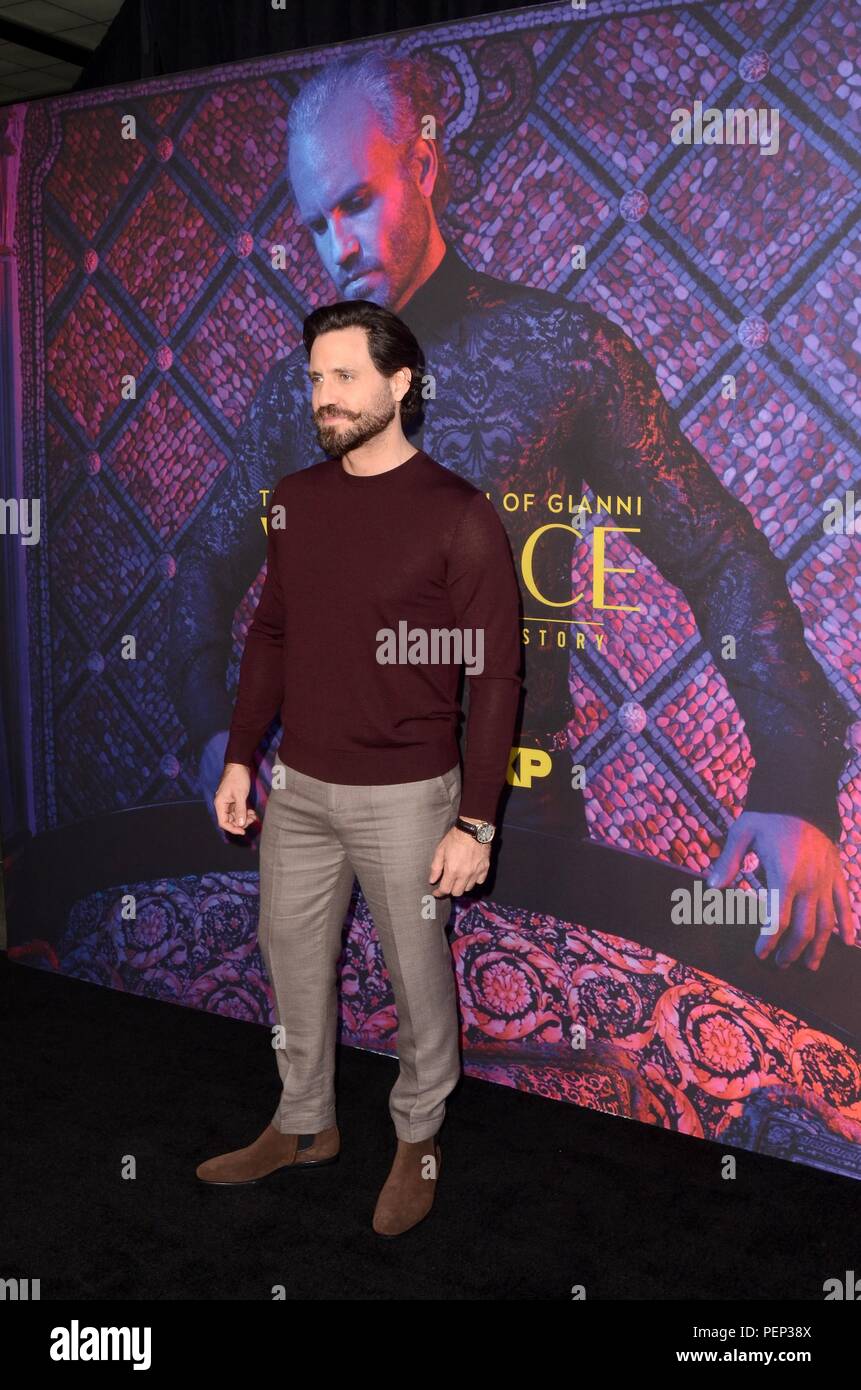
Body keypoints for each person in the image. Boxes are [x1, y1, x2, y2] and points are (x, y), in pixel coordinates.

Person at [169, 48, 853, 982]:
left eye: (357, 203)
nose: (337, 249)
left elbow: (719, 553)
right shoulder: (296, 395)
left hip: (517, 816)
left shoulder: (559, 354)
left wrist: (791, 783)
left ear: (422, 160)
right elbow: (203, 569)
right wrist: (216, 730)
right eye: (315, 223)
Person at [195, 301, 522, 1237]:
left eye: (344, 376)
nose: (324, 396)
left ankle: (417, 1135)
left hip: (410, 800)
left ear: (399, 384)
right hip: (296, 791)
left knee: (420, 984)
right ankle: (304, 1127)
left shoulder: (458, 514)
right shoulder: (296, 496)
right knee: (291, 963)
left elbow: (494, 678)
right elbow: (270, 631)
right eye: (314, 377)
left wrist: (476, 822)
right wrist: (242, 754)